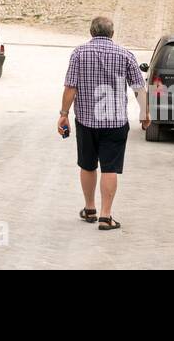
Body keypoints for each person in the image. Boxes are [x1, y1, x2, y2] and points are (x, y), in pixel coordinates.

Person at [57, 16, 148, 231]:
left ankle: (90, 209)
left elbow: (70, 87)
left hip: (86, 121)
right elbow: (139, 88)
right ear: (112, 33)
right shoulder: (125, 55)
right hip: (115, 122)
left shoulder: (79, 53)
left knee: (87, 164)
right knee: (110, 168)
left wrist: (63, 114)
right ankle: (106, 217)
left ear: (91, 32)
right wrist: (144, 114)